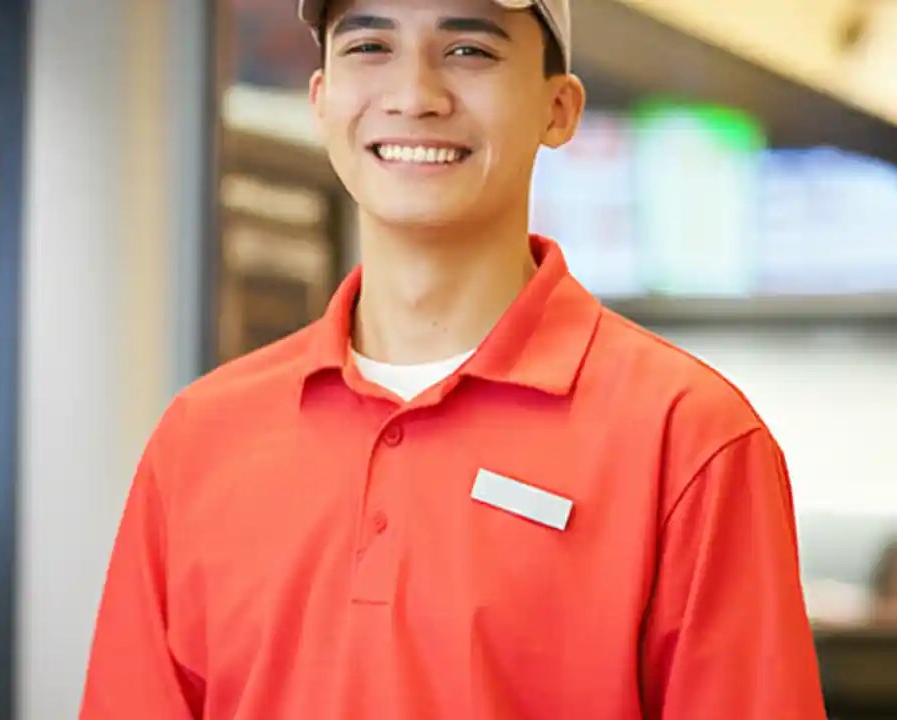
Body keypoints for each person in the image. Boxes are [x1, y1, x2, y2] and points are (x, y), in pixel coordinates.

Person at [82, 0, 827, 717]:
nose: (414, 94)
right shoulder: (200, 438)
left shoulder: (689, 440)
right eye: (370, 46)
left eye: (468, 50)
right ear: (321, 98)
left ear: (558, 108)